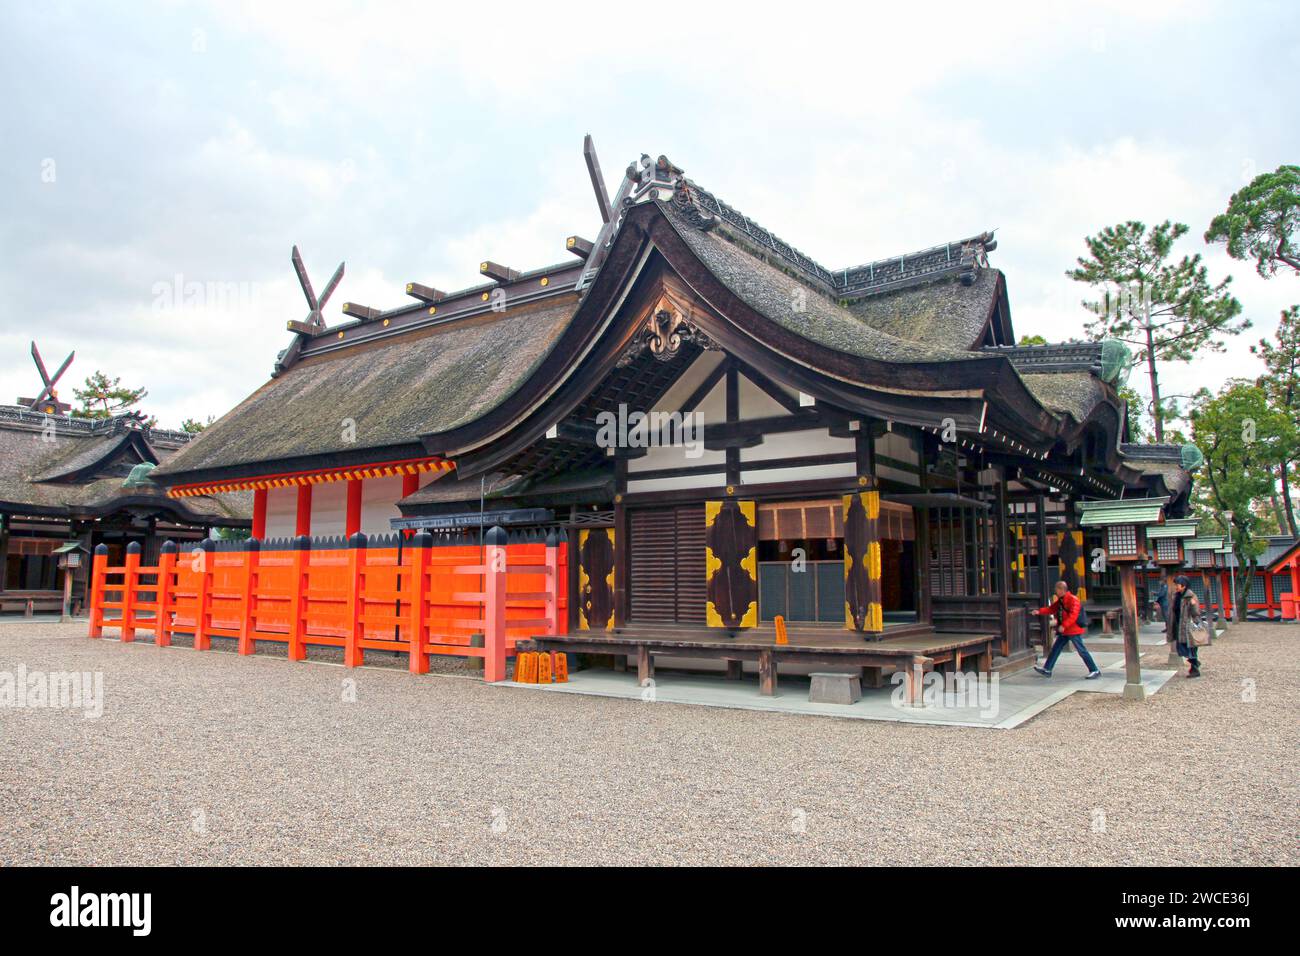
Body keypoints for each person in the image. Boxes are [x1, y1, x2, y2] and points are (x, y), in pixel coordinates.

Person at [1032, 580, 1101, 679]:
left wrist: (1064, 625)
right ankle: (1047, 669)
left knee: (1082, 650)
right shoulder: (1061, 600)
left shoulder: (1073, 600)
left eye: (1056, 589)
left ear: (1061, 589)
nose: (1055, 591)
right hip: (1065, 630)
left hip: (1073, 630)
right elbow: (1051, 609)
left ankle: (1095, 670)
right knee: (1055, 649)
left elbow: (1073, 615)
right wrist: (1039, 611)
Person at [1167, 574, 1204, 678]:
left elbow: (1196, 613)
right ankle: (1195, 664)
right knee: (1182, 648)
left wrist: (1192, 605)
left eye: (1177, 584)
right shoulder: (1177, 596)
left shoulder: (1190, 596)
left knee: (1190, 647)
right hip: (1179, 625)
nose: (1176, 587)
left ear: (1184, 585)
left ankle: (1195, 668)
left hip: (1188, 626)